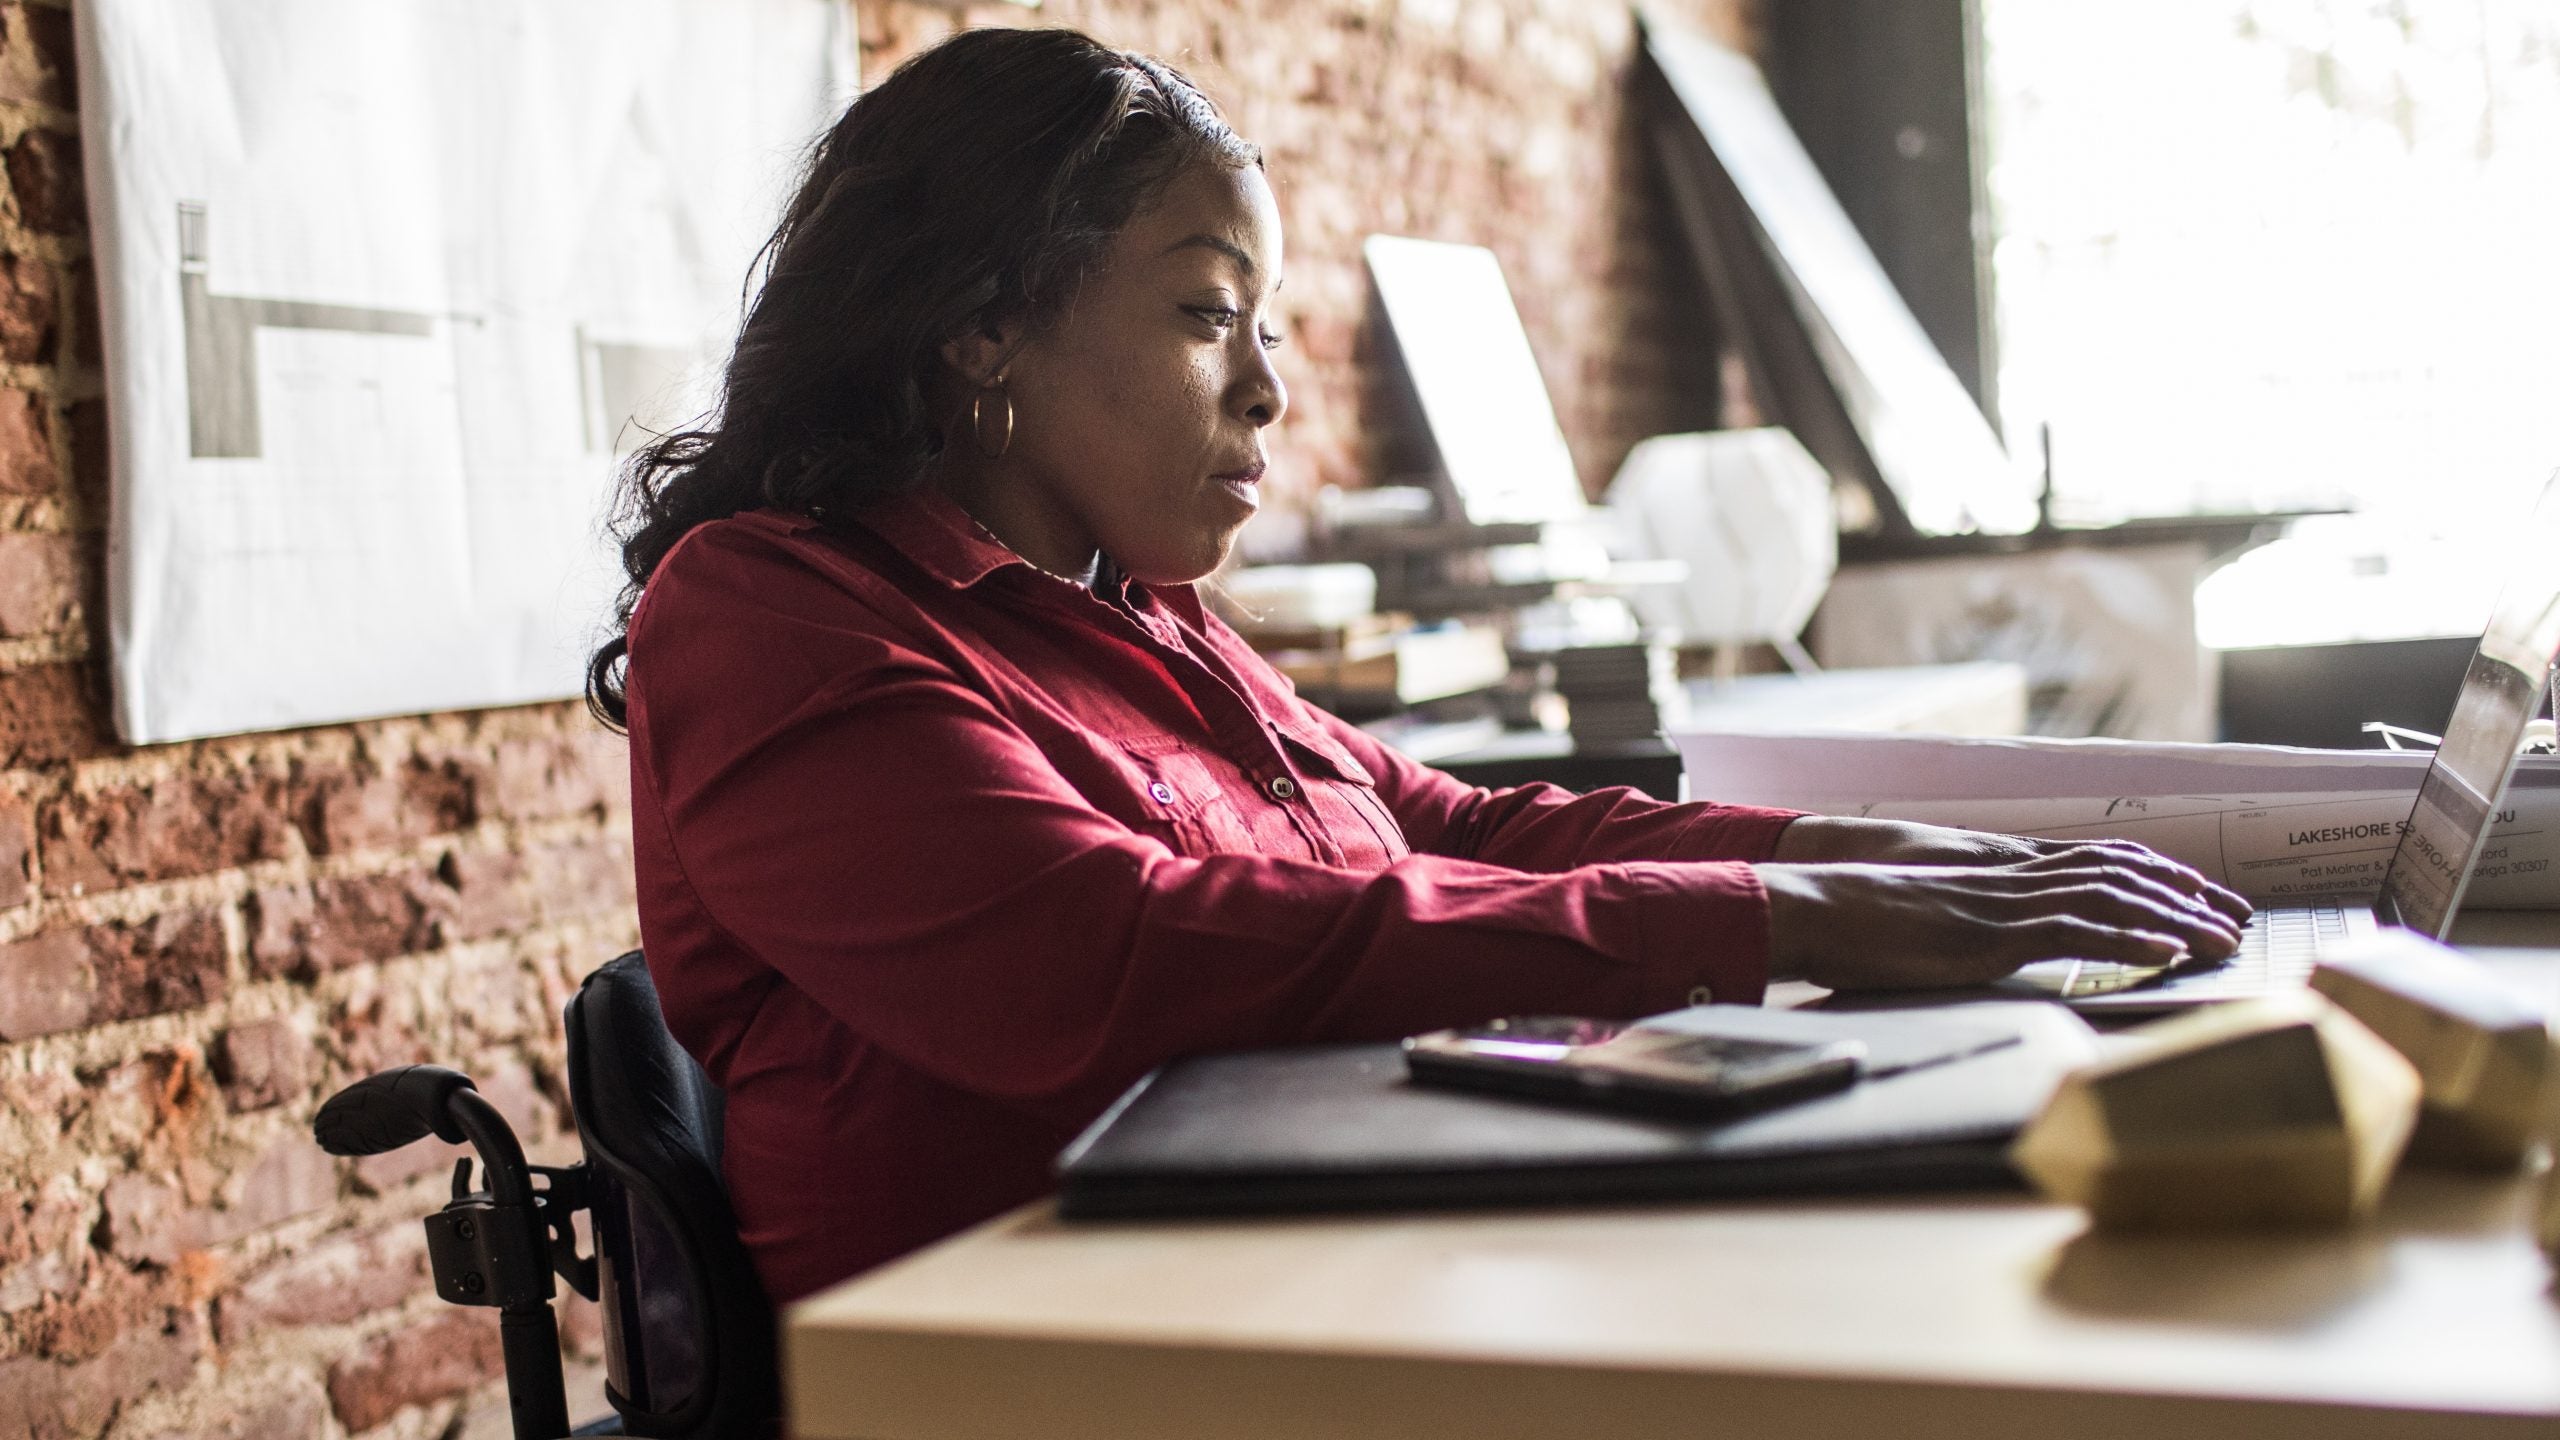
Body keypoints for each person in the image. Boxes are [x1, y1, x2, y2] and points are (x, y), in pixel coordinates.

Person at [589, 26, 2250, 1307]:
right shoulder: (769, 616)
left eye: (1270, 324)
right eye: (1202, 313)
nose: (1269, 392)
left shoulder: (1135, 611)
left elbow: (1457, 827)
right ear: (983, 325)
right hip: (1021, 1355)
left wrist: (1859, 861)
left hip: (1292, 1283)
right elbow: (1106, 956)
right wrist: (1779, 922)